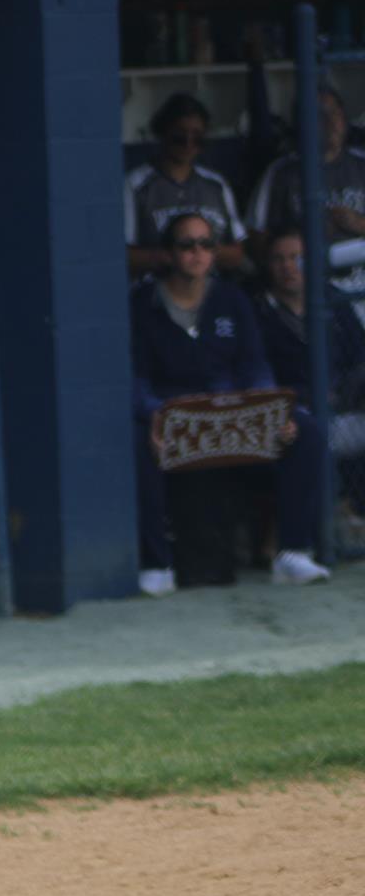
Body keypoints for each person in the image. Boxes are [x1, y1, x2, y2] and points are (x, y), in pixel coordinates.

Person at [130, 211, 330, 594]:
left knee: (306, 432)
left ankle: (292, 553)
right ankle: (158, 564)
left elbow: (254, 366)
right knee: (137, 443)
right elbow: (136, 378)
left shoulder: (231, 300)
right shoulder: (144, 304)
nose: (197, 253)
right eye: (187, 245)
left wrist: (268, 411)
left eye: (206, 244)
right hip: (172, 418)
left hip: (231, 417)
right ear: (169, 254)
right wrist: (155, 414)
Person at [253, 224, 365, 515]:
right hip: (293, 417)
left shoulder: (333, 299)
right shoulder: (256, 310)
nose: (288, 266)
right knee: (310, 433)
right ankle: (332, 521)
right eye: (279, 259)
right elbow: (257, 373)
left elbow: (360, 358)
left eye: (296, 257)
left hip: (345, 407)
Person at [248, 84, 365, 320]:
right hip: (307, 291)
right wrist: (298, 237)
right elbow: (255, 239)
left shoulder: (361, 164)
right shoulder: (282, 173)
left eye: (335, 114)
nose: (330, 123)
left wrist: (359, 224)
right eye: (319, 116)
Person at [125, 93, 249, 279]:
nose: (188, 144)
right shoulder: (135, 185)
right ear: (163, 133)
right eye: (179, 137)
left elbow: (237, 254)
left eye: (197, 138)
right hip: (155, 291)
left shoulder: (216, 184)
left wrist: (197, 253)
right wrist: (175, 256)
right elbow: (124, 256)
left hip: (211, 290)